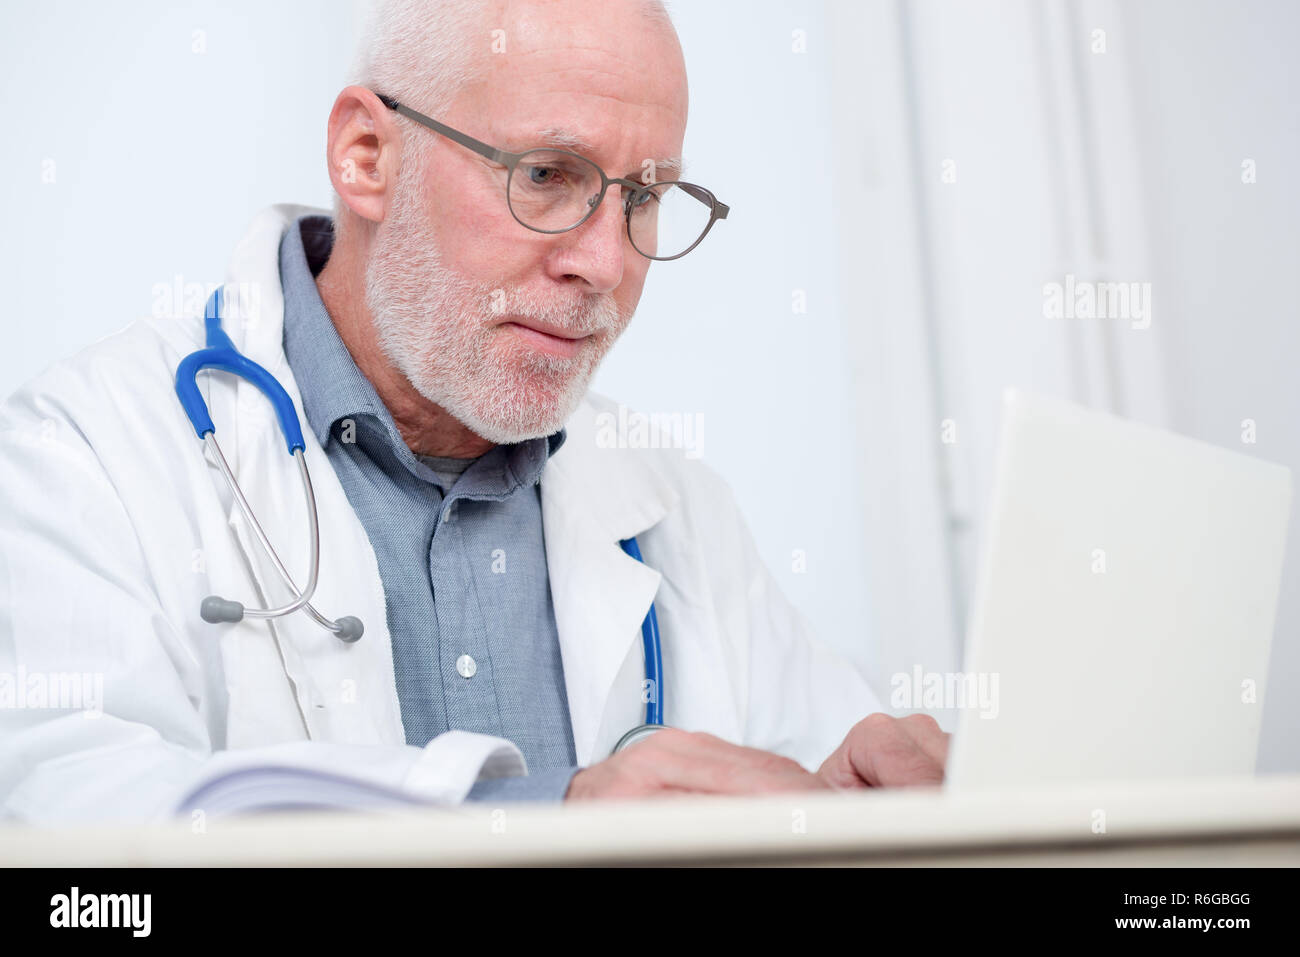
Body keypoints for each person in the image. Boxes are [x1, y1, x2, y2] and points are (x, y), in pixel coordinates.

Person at [0, 0, 947, 822]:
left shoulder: (672, 507)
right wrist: (540, 824)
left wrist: (847, 823)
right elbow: (75, 828)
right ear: (367, 156)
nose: (608, 265)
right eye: (546, 176)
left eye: (646, 196)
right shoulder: (88, 454)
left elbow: (815, 765)